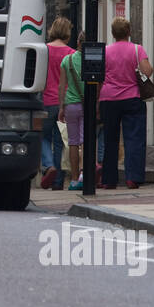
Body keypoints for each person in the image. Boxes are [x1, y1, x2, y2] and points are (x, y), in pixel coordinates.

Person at [98, 17, 152, 190]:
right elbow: (147, 71)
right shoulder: (137, 50)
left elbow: (100, 76)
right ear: (129, 32)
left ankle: (109, 179)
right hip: (132, 97)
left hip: (109, 98)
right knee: (134, 138)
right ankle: (133, 177)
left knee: (110, 139)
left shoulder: (105, 51)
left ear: (113, 33)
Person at [41, 17, 75, 189]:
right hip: (64, 102)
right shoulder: (70, 53)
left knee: (42, 136)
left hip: (45, 100)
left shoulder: (44, 51)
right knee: (60, 141)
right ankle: (57, 181)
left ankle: (48, 166)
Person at [59, 33, 85, 190]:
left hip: (71, 105)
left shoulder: (67, 60)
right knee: (86, 141)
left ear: (78, 42)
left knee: (73, 142)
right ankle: (84, 174)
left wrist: (61, 107)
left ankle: (74, 179)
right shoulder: (91, 60)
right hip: (86, 105)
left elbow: (62, 86)